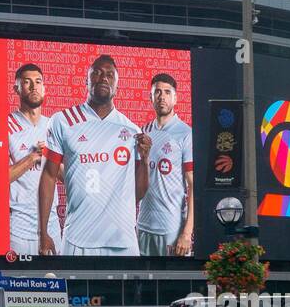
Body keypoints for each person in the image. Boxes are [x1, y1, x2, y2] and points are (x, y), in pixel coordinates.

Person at [37, 54, 145, 258]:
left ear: (117, 86)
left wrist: (145, 161)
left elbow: (137, 194)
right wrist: (43, 232)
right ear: (87, 80)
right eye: (97, 73)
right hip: (78, 237)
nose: (103, 78)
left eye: (110, 75)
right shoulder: (62, 121)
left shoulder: (131, 130)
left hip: (122, 240)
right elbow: (48, 176)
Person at [135, 72, 195, 256]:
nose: (162, 97)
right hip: (143, 226)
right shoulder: (143, 132)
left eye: (167, 92)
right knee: (142, 283)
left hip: (171, 229)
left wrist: (187, 232)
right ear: (150, 97)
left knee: (171, 283)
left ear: (175, 98)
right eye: (158, 92)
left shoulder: (185, 133)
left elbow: (193, 186)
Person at [7, 63, 59, 256]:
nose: (33, 87)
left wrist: (49, 157)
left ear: (44, 88)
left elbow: (67, 176)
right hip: (19, 227)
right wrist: (33, 157)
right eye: (27, 82)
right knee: (18, 284)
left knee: (55, 283)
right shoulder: (6, 125)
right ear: (16, 89)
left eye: (38, 82)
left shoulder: (54, 125)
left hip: (52, 224)